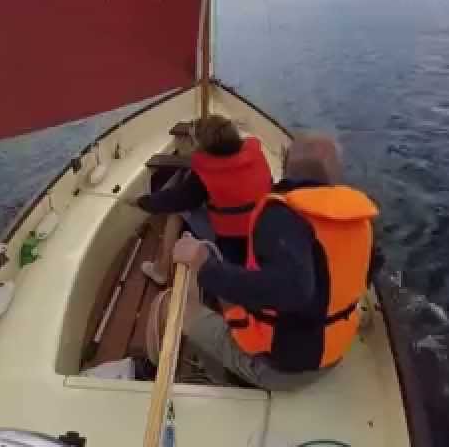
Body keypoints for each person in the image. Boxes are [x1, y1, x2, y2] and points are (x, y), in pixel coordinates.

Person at [147, 134, 380, 391]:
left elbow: (293, 290)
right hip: (333, 354)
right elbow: (371, 266)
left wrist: (203, 265)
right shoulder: (360, 221)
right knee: (228, 285)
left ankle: (191, 372)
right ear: (335, 177)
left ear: (284, 163)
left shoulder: (282, 216)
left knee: (169, 305)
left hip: (277, 368)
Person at [136, 114, 273, 283]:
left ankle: (161, 270)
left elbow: (177, 199)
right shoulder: (256, 155)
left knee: (178, 211)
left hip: (231, 238)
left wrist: (142, 202)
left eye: (193, 142)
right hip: (262, 230)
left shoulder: (204, 176)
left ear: (205, 148)